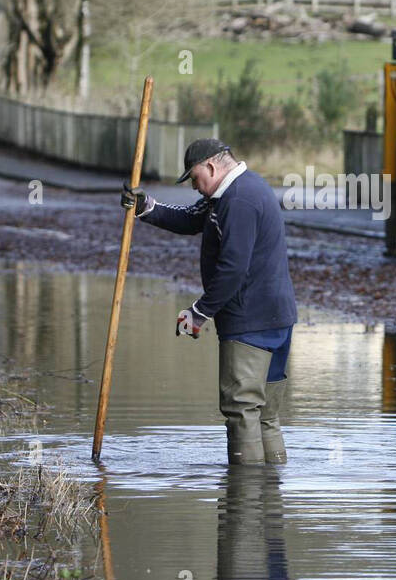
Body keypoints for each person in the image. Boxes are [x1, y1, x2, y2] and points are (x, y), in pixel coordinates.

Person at [122, 138, 297, 466]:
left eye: (194, 178)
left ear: (211, 167)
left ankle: (242, 505)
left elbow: (233, 268)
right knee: (265, 416)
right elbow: (191, 219)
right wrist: (146, 208)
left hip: (250, 323)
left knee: (241, 410)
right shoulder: (240, 190)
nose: (194, 187)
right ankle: (270, 507)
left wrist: (199, 313)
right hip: (277, 318)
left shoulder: (238, 200)